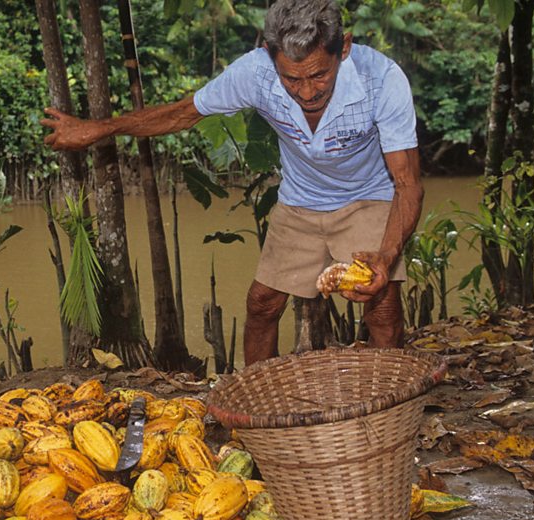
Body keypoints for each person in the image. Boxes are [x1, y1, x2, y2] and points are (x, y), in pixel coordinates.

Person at [40, 0, 422, 365]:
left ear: (345, 49)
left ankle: (390, 401)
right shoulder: (254, 73)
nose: (307, 92)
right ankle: (258, 403)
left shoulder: (382, 80)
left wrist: (387, 257)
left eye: (319, 75)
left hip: (368, 196)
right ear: (271, 57)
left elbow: (407, 183)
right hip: (301, 199)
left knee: (383, 305)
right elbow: (181, 115)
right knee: (261, 304)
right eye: (292, 78)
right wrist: (98, 129)